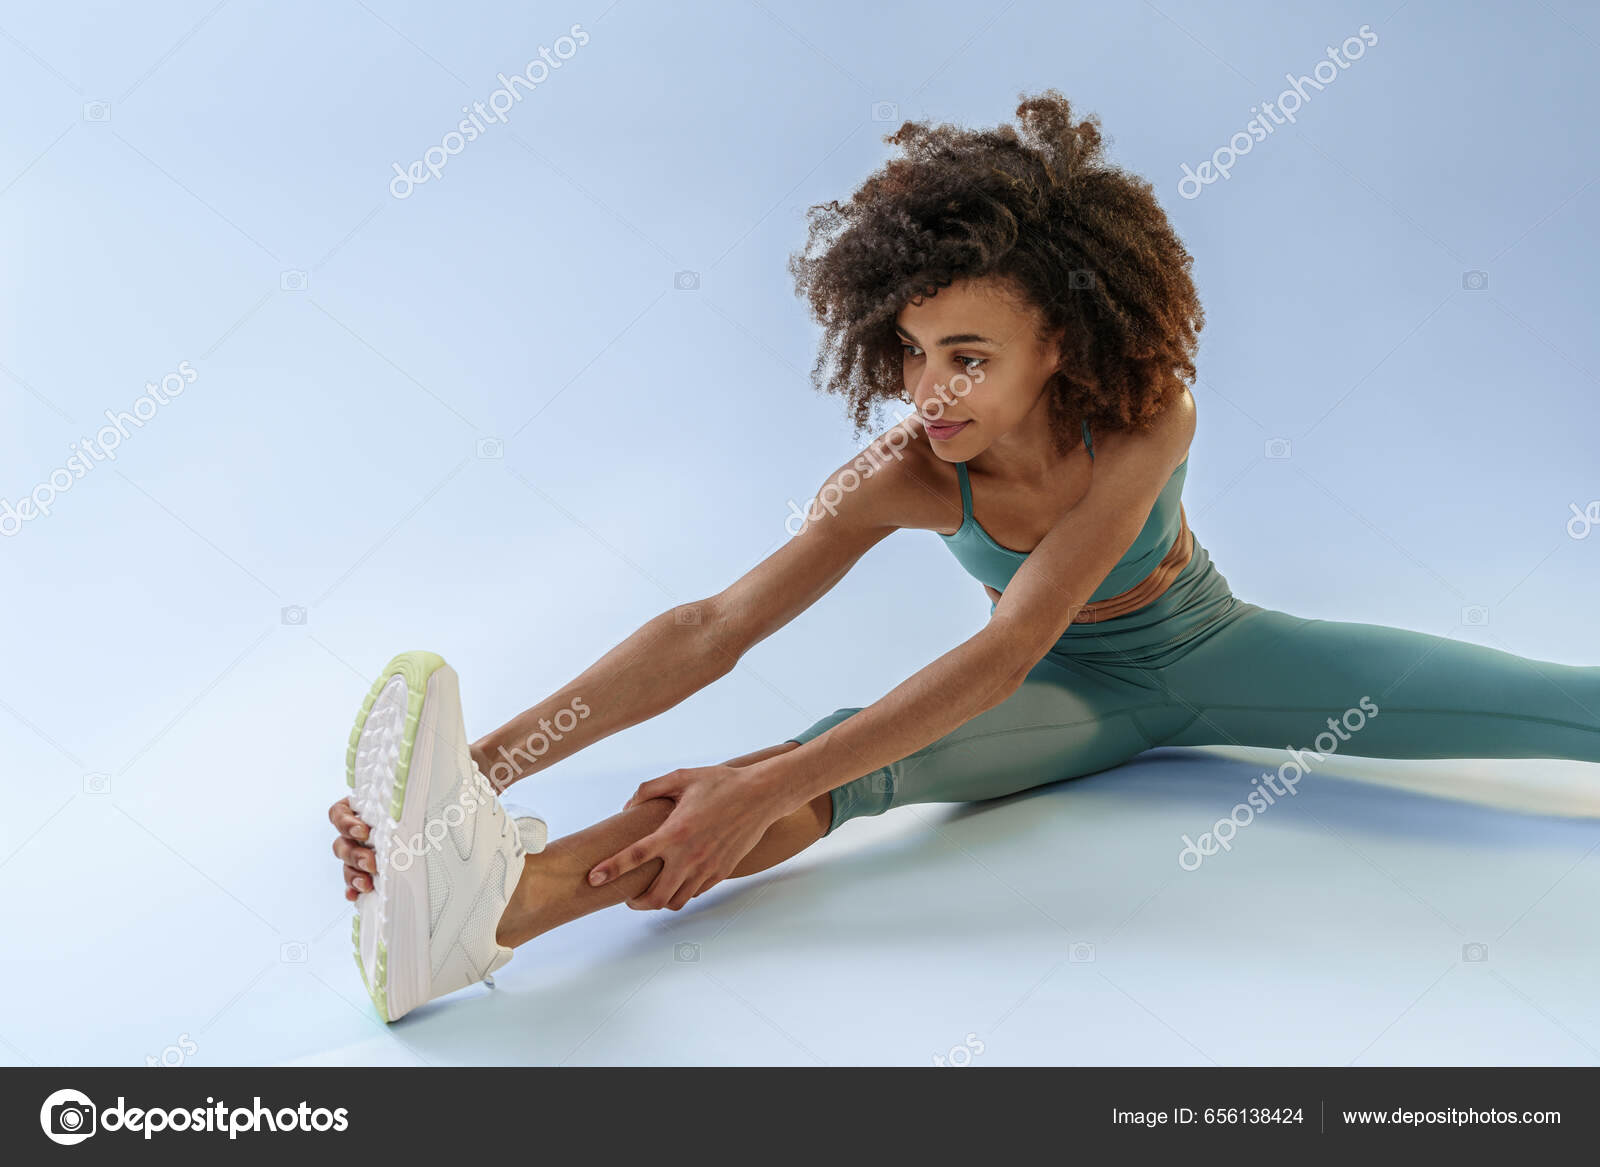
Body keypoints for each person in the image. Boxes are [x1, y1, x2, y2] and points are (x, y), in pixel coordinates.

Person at [326, 90, 1600, 1022]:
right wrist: (475, 771)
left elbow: (1006, 643)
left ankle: (503, 880)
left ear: (1063, 338)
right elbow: (712, 628)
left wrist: (769, 784)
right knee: (770, 770)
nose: (927, 393)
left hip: (1219, 655)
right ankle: (491, 909)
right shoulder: (903, 476)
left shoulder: (1150, 416)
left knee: (1554, 707)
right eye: (914, 352)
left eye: (969, 358)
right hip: (1064, 707)